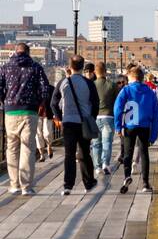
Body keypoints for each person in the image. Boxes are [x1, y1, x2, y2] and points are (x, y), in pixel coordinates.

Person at [0, 43, 53, 195]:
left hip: (10, 111)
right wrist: (41, 103)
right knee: (28, 148)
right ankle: (26, 186)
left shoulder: (5, 67)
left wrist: (5, 100)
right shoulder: (36, 67)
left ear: (15, 52)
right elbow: (44, 88)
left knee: (12, 147)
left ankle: (14, 184)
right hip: (30, 111)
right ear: (28, 52)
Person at [51, 55, 100, 196]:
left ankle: (68, 185)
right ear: (82, 66)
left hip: (68, 122)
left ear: (70, 66)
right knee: (84, 152)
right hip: (83, 121)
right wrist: (91, 117)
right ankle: (88, 182)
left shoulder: (63, 82)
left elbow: (53, 103)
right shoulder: (88, 83)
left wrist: (59, 118)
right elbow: (95, 103)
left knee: (69, 154)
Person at [114, 66, 158, 194]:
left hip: (130, 125)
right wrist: (154, 135)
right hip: (145, 126)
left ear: (132, 77)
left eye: (128, 77)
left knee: (128, 153)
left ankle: (127, 176)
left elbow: (117, 109)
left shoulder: (126, 90)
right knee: (144, 153)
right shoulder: (150, 92)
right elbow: (156, 115)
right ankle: (145, 183)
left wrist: (118, 126)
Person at [91, 62, 119, 178]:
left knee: (96, 144)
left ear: (94, 72)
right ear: (105, 71)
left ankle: (97, 167)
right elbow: (117, 103)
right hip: (108, 116)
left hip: (95, 117)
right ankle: (105, 164)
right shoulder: (112, 85)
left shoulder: (91, 85)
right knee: (107, 143)